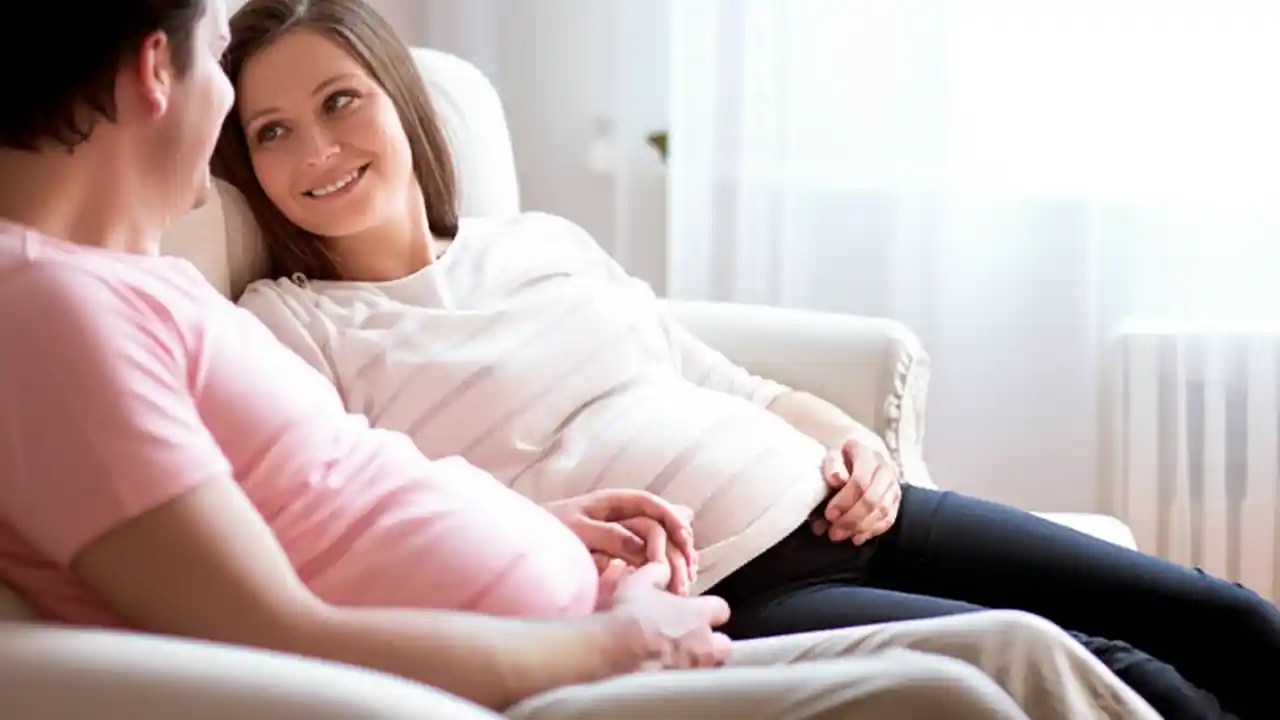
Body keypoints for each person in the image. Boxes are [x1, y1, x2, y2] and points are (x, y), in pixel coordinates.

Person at [0, 1, 1163, 719]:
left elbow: (330, 503)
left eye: (340, 103)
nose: (235, 137)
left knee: (1127, 630)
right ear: (157, 70)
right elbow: (262, 626)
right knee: (990, 683)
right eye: (233, 86)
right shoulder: (64, 311)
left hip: (649, 571)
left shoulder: (124, 286)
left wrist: (546, 532)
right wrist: (599, 637)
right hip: (631, 624)